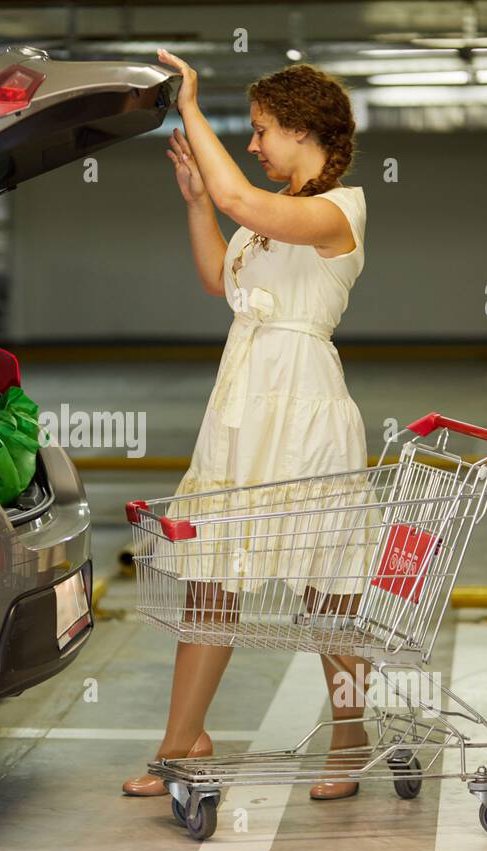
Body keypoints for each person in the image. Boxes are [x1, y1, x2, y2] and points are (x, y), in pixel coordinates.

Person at [122, 50, 373, 800]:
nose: (255, 145)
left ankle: (351, 735)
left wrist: (192, 109)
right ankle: (182, 742)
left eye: (262, 130)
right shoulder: (265, 225)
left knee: (326, 589)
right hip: (240, 405)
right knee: (211, 576)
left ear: (302, 130)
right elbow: (219, 280)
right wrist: (197, 199)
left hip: (302, 407)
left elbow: (243, 199)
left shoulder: (338, 211)